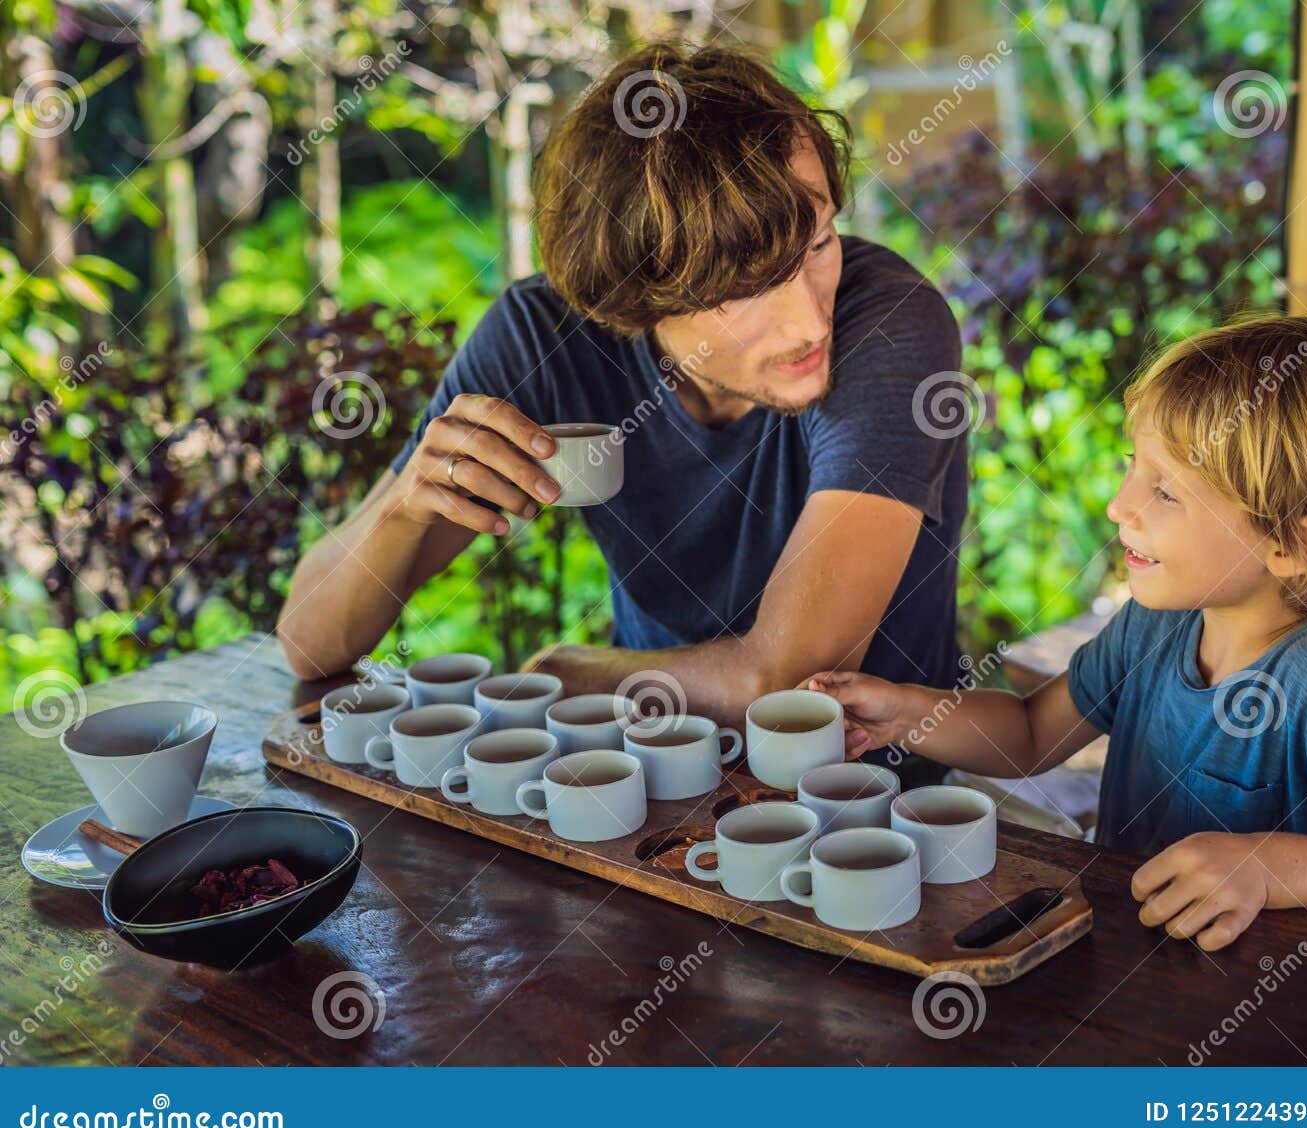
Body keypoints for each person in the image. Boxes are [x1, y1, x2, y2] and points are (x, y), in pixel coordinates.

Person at [277, 43, 967, 731]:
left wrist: (570, 674)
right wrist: (405, 505)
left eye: (817, 245)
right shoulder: (542, 336)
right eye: (746, 287)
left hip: (878, 807)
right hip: (643, 781)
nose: (809, 321)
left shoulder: (889, 322)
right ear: (637, 298)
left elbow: (786, 682)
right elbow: (309, 643)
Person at [806, 316, 1307, 950]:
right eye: (1130, 469)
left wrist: (1264, 865)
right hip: (1125, 951)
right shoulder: (1155, 626)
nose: (1120, 506)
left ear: (1289, 545)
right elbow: (1027, 733)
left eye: (1165, 490)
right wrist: (905, 711)